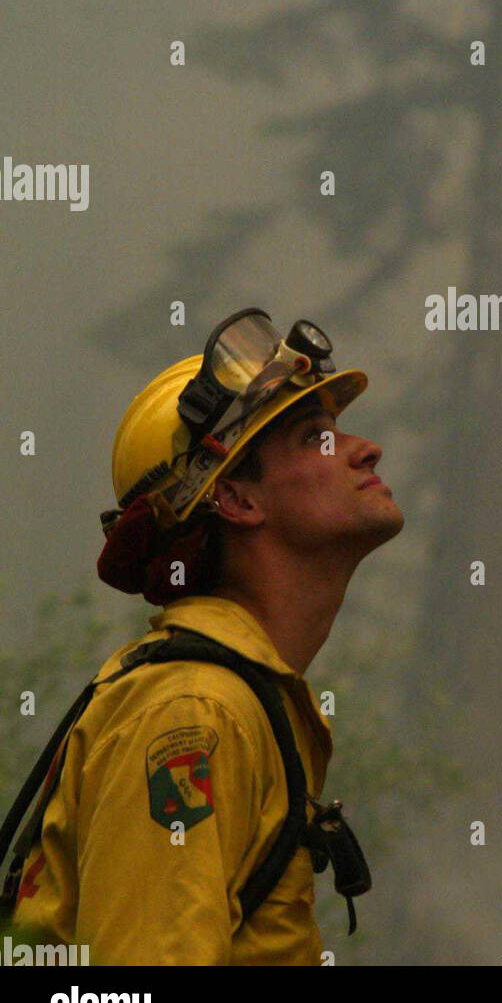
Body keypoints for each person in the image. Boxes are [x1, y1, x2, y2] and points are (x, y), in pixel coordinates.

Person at [3, 308, 403, 965]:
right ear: (239, 501)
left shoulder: (243, 703)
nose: (365, 448)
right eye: (315, 437)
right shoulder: (192, 715)